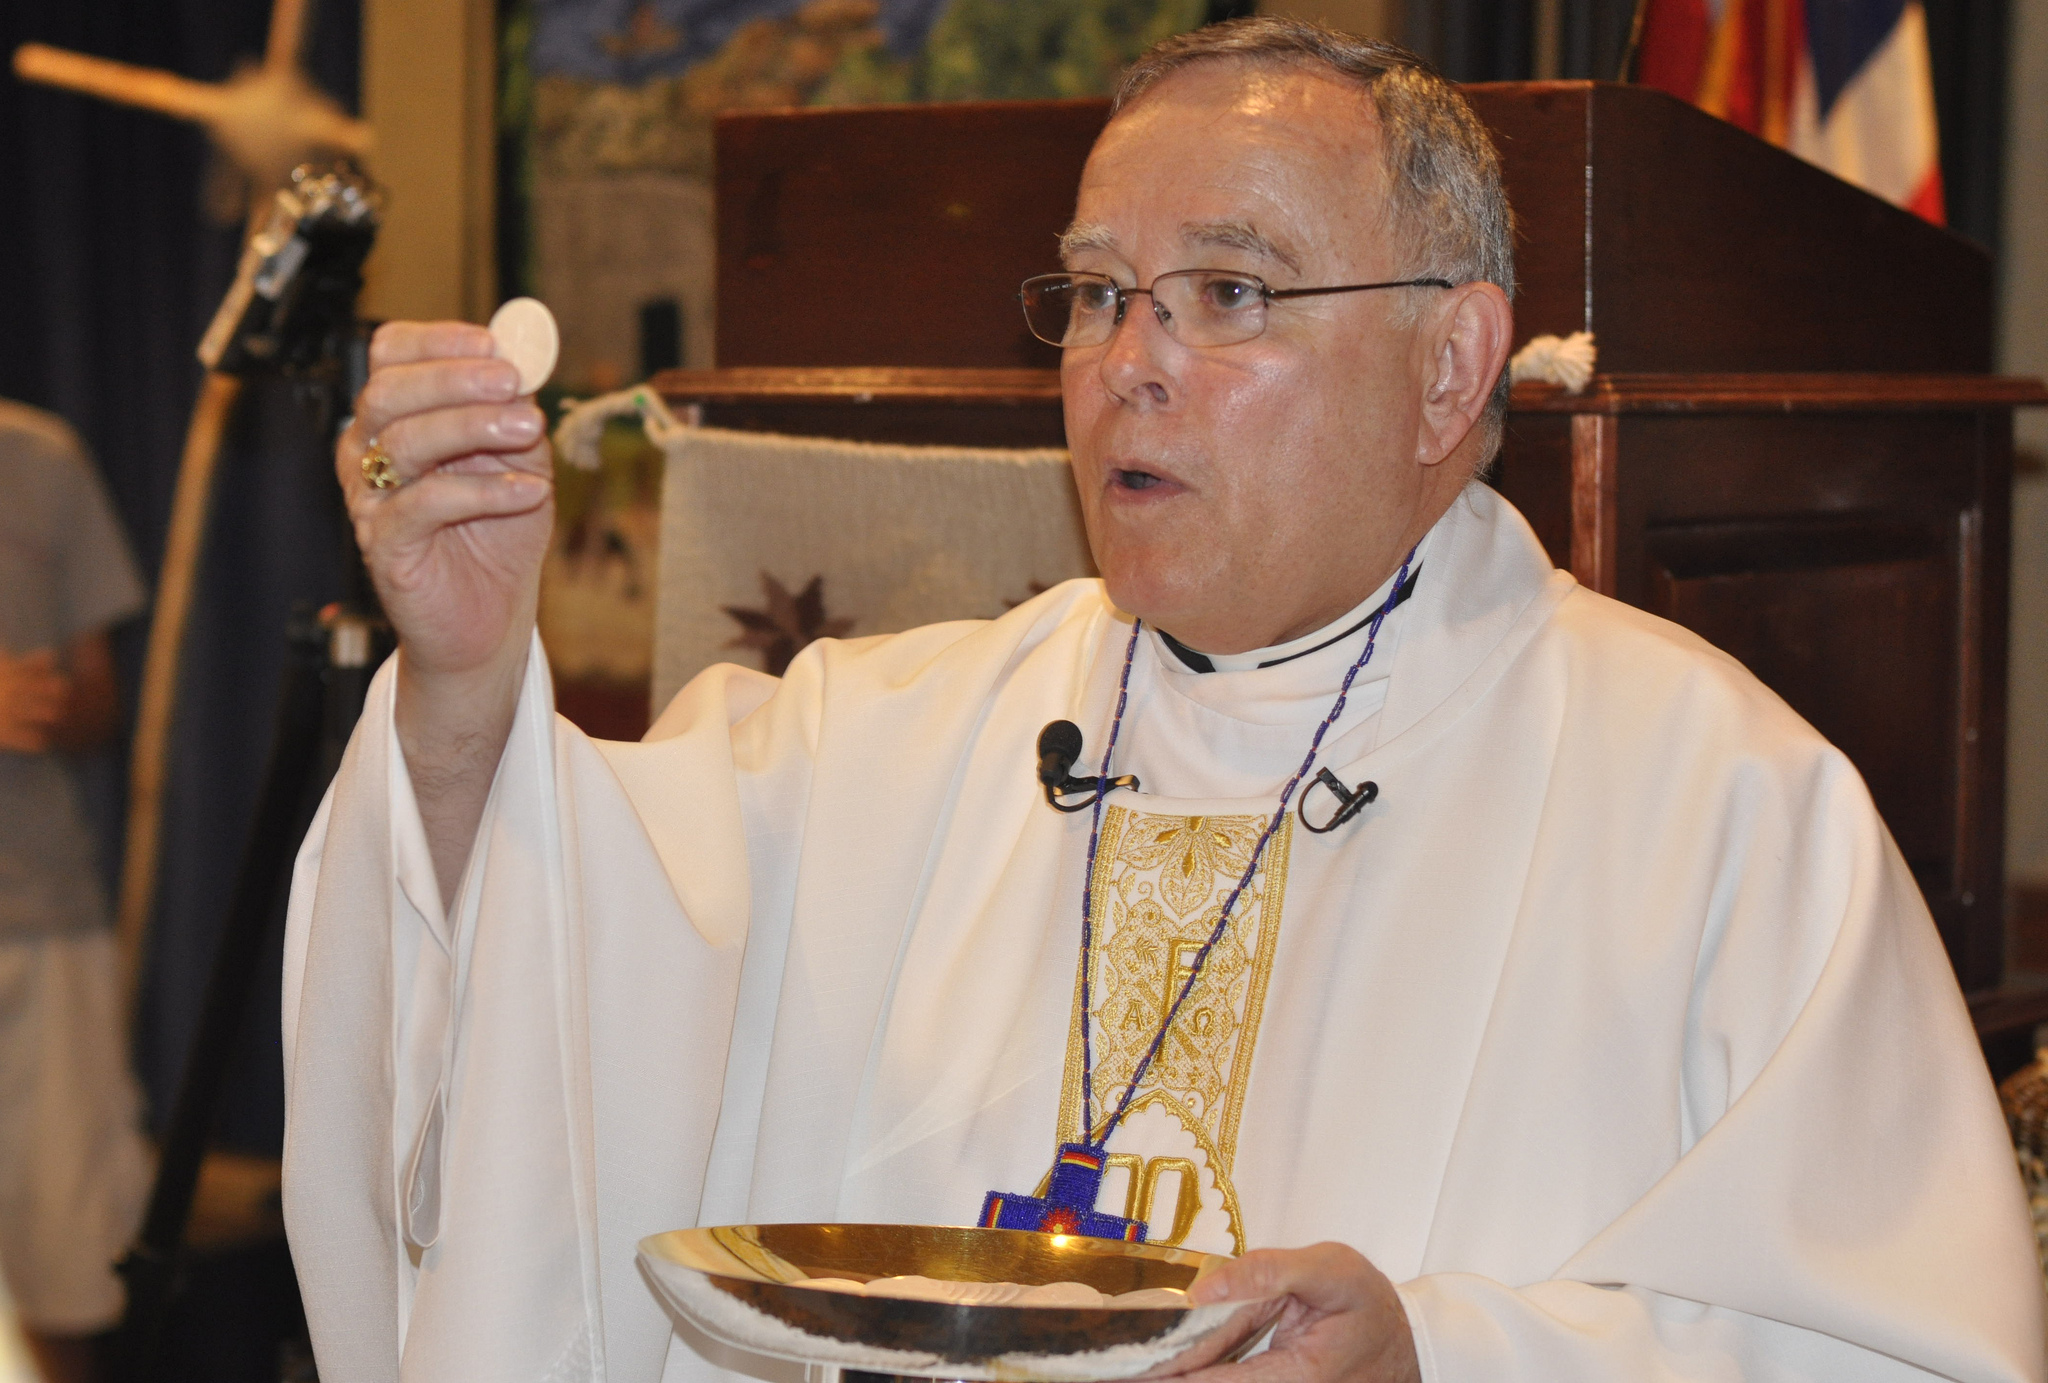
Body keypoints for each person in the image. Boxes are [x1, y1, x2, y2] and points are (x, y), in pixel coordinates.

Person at [284, 19, 2042, 1383]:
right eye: (1100, 294)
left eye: (1228, 293)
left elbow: (1894, 1340)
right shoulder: (867, 741)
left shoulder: (1712, 802)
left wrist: (1445, 1350)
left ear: (1449, 365)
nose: (1129, 362)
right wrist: (464, 682)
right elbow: (525, 1003)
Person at [0, 399, 153, 1383]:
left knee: (63, 1275)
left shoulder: (40, 458)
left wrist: (55, 702)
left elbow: (99, 698)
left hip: (39, 915)